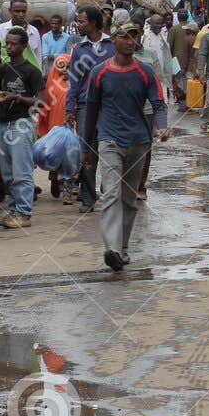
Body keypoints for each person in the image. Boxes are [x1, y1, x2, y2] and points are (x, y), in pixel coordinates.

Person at [82, 21, 171, 272]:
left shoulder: (145, 72)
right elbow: (91, 110)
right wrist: (86, 147)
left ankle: (122, 248)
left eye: (135, 36)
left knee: (129, 198)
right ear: (115, 41)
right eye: (126, 36)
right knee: (110, 193)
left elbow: (159, 104)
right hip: (109, 139)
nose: (131, 41)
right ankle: (111, 248)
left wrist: (162, 126)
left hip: (138, 141)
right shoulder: (99, 72)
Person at [0, 27, 45, 229]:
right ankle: (14, 210)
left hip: (21, 124)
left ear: (24, 46)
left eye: (14, 43)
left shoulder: (32, 71)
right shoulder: (4, 69)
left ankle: (24, 212)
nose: (10, 47)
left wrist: (17, 98)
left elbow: (41, 102)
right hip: (4, 123)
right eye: (8, 43)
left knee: (22, 171)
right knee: (7, 172)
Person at [65, 5, 114, 213]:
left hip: (110, 107)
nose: (78, 25)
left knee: (112, 149)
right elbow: (74, 80)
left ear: (94, 23)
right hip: (85, 106)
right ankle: (87, 198)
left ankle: (110, 192)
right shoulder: (79, 49)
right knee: (86, 152)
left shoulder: (112, 45)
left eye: (82, 21)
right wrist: (70, 108)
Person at [0, 0, 43, 69]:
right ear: (10, 11)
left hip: (29, 76)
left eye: (23, 11)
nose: (21, 14)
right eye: (17, 11)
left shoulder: (33, 32)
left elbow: (38, 57)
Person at [168, 12, 197, 103]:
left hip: (179, 63)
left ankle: (184, 102)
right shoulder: (193, 35)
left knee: (181, 83)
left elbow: (169, 46)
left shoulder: (174, 29)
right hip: (187, 65)